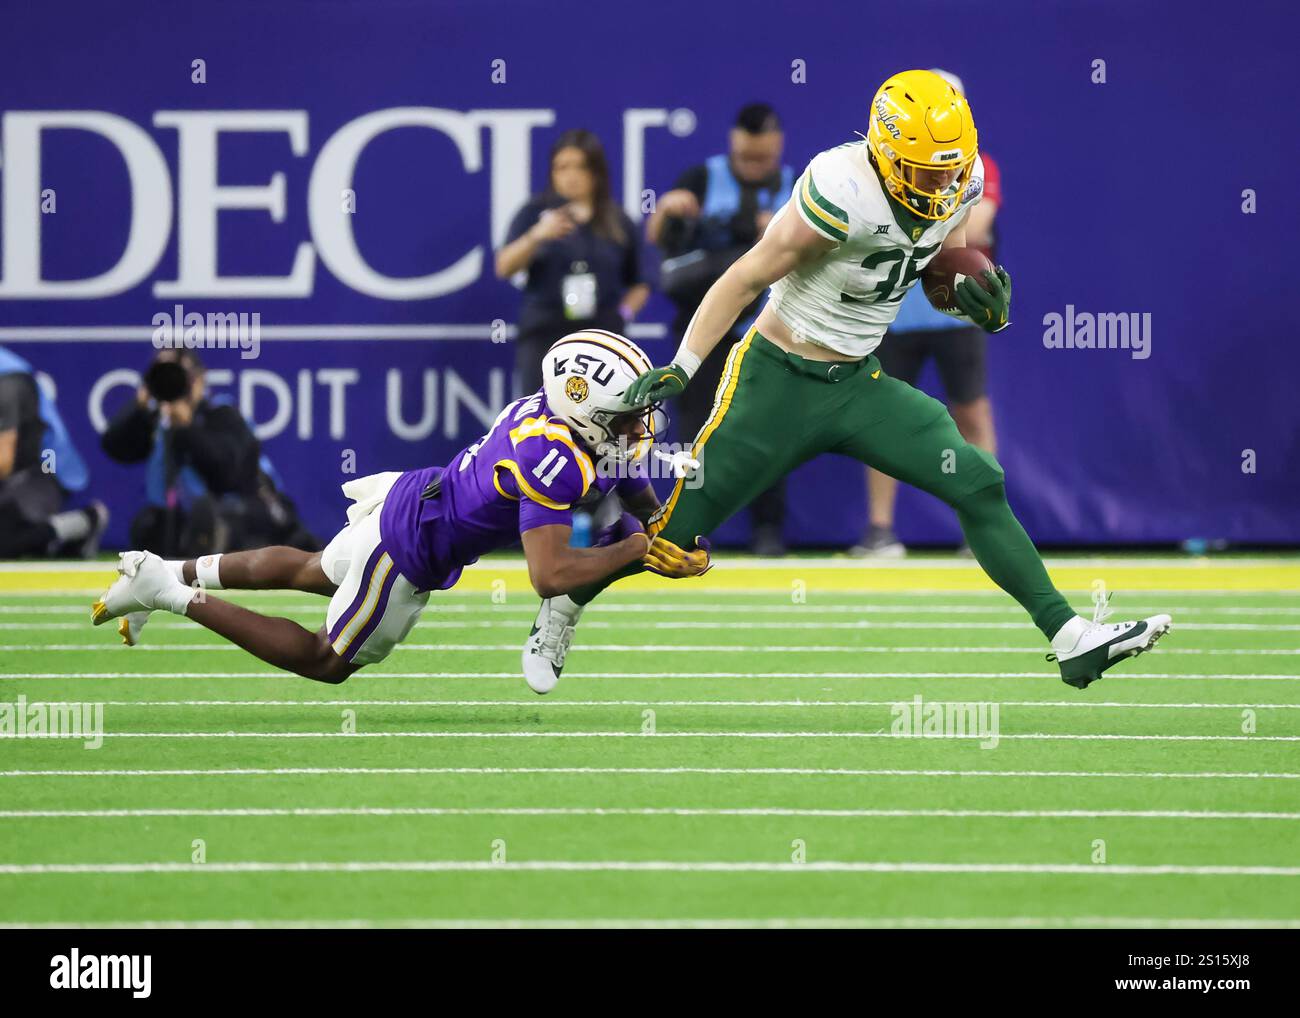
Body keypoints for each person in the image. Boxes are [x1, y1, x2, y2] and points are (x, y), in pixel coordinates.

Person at [522, 69, 1171, 693]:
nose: (941, 184)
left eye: (950, 168)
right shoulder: (840, 189)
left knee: (978, 480)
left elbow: (929, 269)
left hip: (859, 383)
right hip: (775, 381)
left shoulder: (960, 180)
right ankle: (565, 604)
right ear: (886, 156)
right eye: (925, 171)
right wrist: (684, 366)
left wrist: (978, 307)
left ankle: (1068, 637)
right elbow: (745, 277)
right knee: (672, 535)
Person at [91, 331, 711, 688]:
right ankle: (164, 591)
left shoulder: (549, 413)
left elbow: (620, 468)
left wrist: (651, 519)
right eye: (629, 412)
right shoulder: (555, 459)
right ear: (588, 411)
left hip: (412, 496)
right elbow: (547, 576)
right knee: (325, 661)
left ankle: (173, 568)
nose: (641, 423)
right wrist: (635, 548)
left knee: (311, 570)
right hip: (410, 548)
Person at [856, 69, 1003, 558]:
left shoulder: (976, 166)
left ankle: (982, 526)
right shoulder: (879, 167)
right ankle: (880, 530)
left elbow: (976, 225)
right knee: (880, 421)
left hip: (953, 312)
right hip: (894, 312)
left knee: (971, 412)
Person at [648, 103, 795, 555]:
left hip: (769, 329)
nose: (753, 167)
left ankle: (768, 529)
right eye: (745, 159)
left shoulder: (799, 187)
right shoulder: (701, 178)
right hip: (705, 325)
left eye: (762, 159)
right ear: (732, 144)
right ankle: (685, 524)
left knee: (768, 427)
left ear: (778, 146)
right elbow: (659, 240)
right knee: (695, 429)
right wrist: (669, 211)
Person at [100, 348, 316, 557]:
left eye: (179, 375)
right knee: (146, 524)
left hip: (241, 509)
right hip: (183, 518)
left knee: (214, 519)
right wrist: (140, 404)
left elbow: (229, 474)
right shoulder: (157, 422)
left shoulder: (222, 413)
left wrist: (187, 429)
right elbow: (114, 447)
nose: (172, 383)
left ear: (200, 379)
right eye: (163, 375)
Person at [496, 130, 650, 398]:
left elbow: (642, 279)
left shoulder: (616, 220)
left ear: (596, 172)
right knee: (542, 418)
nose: (570, 176)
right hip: (545, 335)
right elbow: (504, 267)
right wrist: (536, 235)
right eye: (561, 167)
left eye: (580, 166)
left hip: (601, 339)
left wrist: (622, 316)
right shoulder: (534, 214)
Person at [0, 345, 106, 558]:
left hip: (42, 473)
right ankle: (48, 543)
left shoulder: (7, 382)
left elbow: (4, 462)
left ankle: (86, 521)